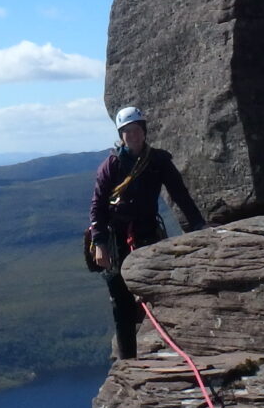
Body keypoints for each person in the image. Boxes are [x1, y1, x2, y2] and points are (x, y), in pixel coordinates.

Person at [87, 105, 205, 358]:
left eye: (137, 129)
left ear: (144, 131)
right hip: (117, 238)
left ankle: (168, 349)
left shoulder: (158, 161)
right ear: (121, 135)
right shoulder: (111, 166)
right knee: (121, 300)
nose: (133, 135)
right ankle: (129, 361)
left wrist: (198, 225)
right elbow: (97, 206)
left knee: (158, 292)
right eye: (127, 131)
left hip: (148, 234)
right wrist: (100, 243)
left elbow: (180, 195)